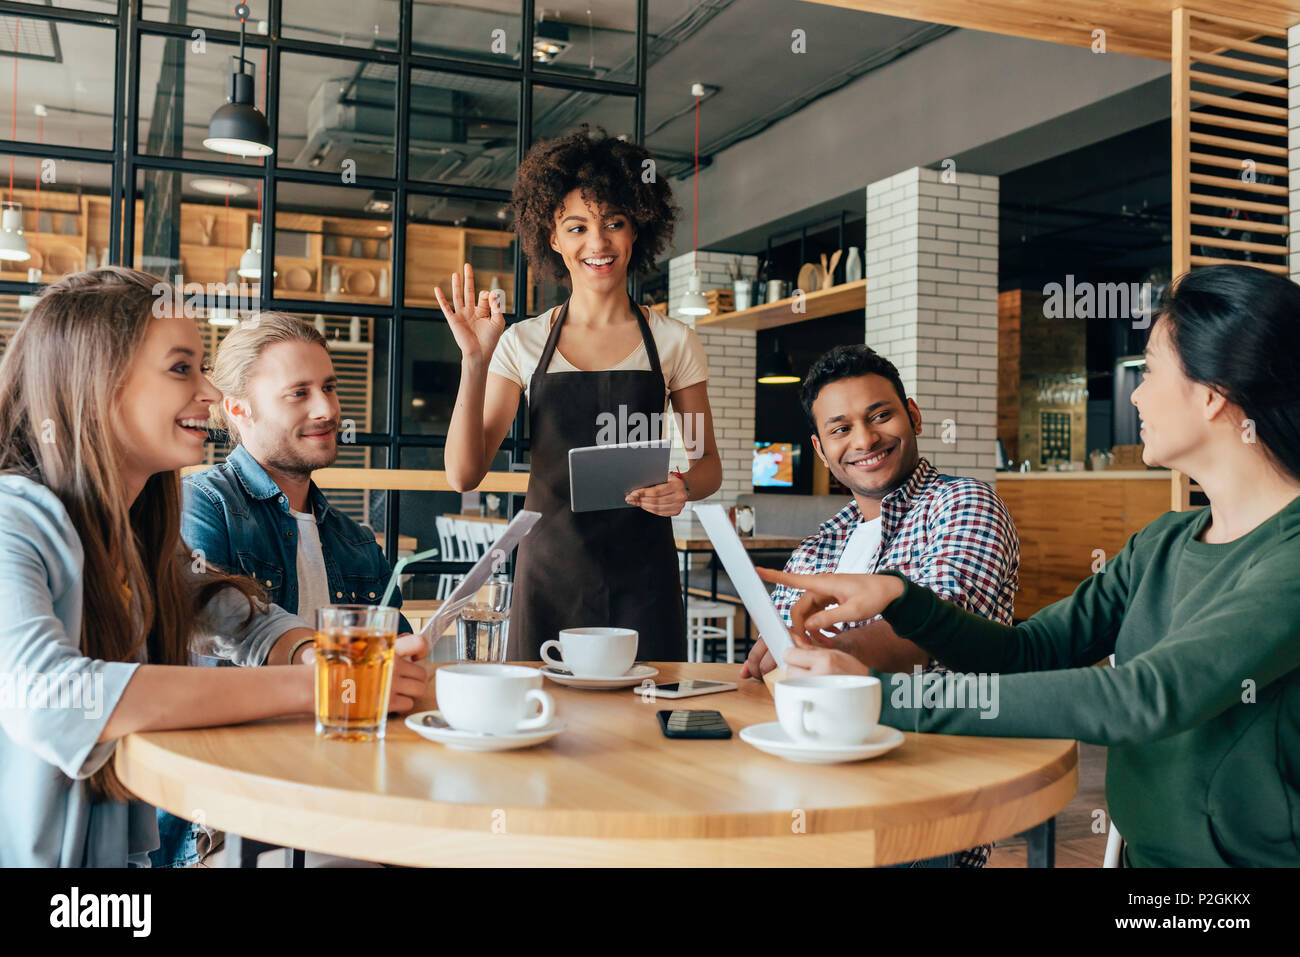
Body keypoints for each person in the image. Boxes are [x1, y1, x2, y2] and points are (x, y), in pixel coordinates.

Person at [759, 264, 1300, 867]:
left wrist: (868, 698)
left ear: (1212, 394)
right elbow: (1027, 653)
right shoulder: (1164, 543)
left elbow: (1143, 697)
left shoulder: (1291, 556)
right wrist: (901, 598)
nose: (1136, 393)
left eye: (1148, 370)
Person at [0, 268, 428, 867]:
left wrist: (322, 657)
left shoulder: (132, 529)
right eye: (182, 369)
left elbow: (238, 618)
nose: (207, 392)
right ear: (97, 382)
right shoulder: (11, 518)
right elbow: (51, 695)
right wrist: (323, 686)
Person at [439, 124, 722, 660]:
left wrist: (682, 485)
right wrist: (474, 361)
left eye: (614, 223)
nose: (598, 243)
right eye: (577, 227)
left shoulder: (674, 342)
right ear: (552, 237)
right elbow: (463, 474)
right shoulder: (521, 342)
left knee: (644, 732)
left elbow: (709, 464)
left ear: (636, 230)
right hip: (549, 574)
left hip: (645, 576)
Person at [740, 344, 1019, 868]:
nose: (865, 440)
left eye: (880, 415)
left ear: (912, 416)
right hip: (809, 785)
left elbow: (931, 632)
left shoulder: (964, 504)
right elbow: (781, 660)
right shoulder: (823, 542)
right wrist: (775, 655)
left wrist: (813, 654)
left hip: (921, 801)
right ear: (821, 450)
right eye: (841, 428)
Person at [153, 311, 412, 867]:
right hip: (236, 813)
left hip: (353, 793)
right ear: (238, 409)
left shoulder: (353, 539)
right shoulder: (202, 503)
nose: (327, 409)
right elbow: (204, 619)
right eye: (299, 393)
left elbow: (403, 674)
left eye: (329, 387)